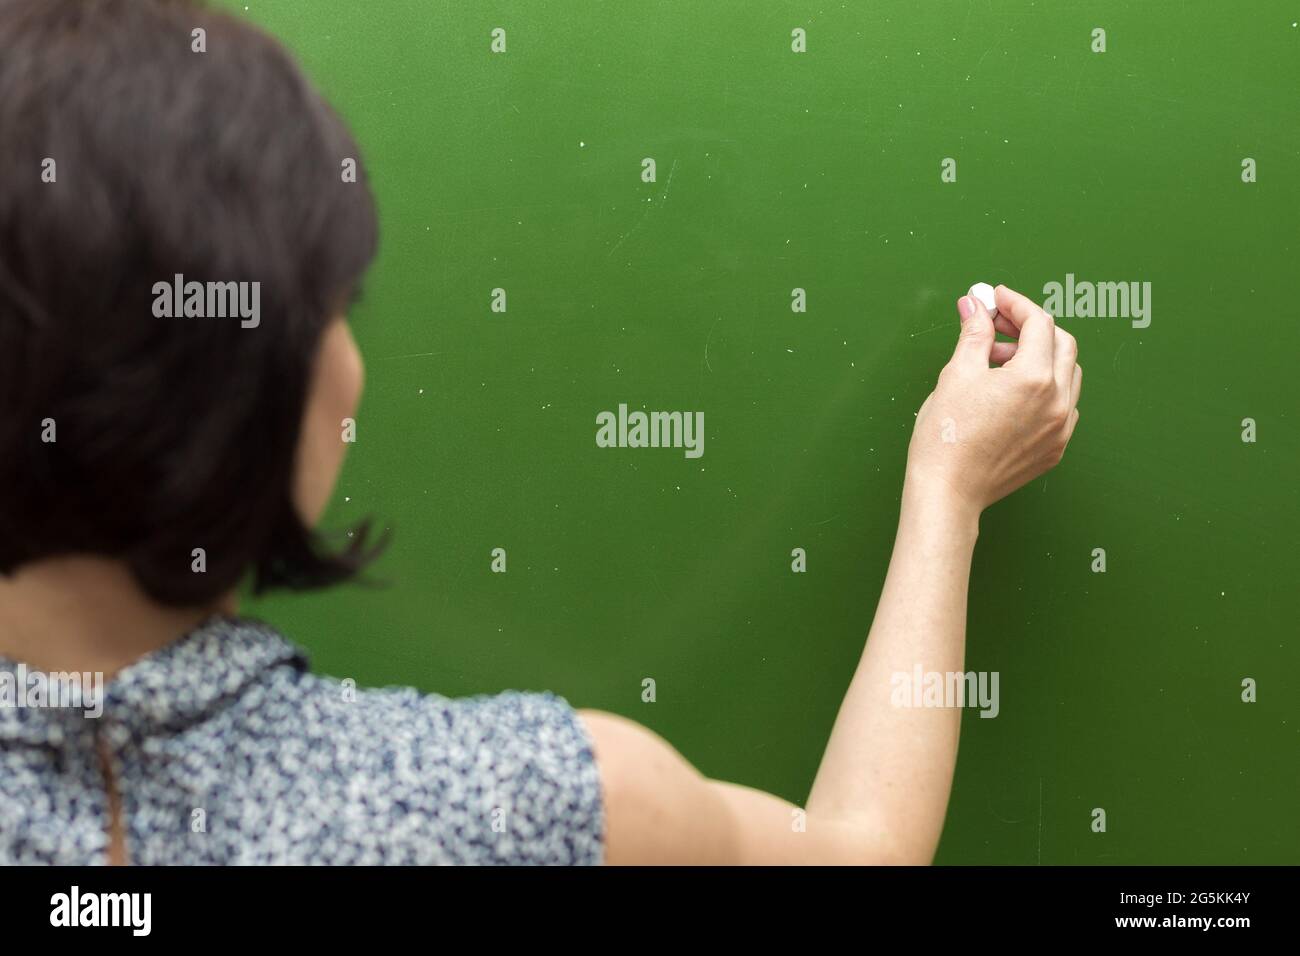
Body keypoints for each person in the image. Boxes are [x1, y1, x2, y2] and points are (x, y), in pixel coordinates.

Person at [0, 0, 1080, 865]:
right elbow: (863, 854)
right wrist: (947, 490)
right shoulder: (521, 804)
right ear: (274, 380)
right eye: (343, 300)